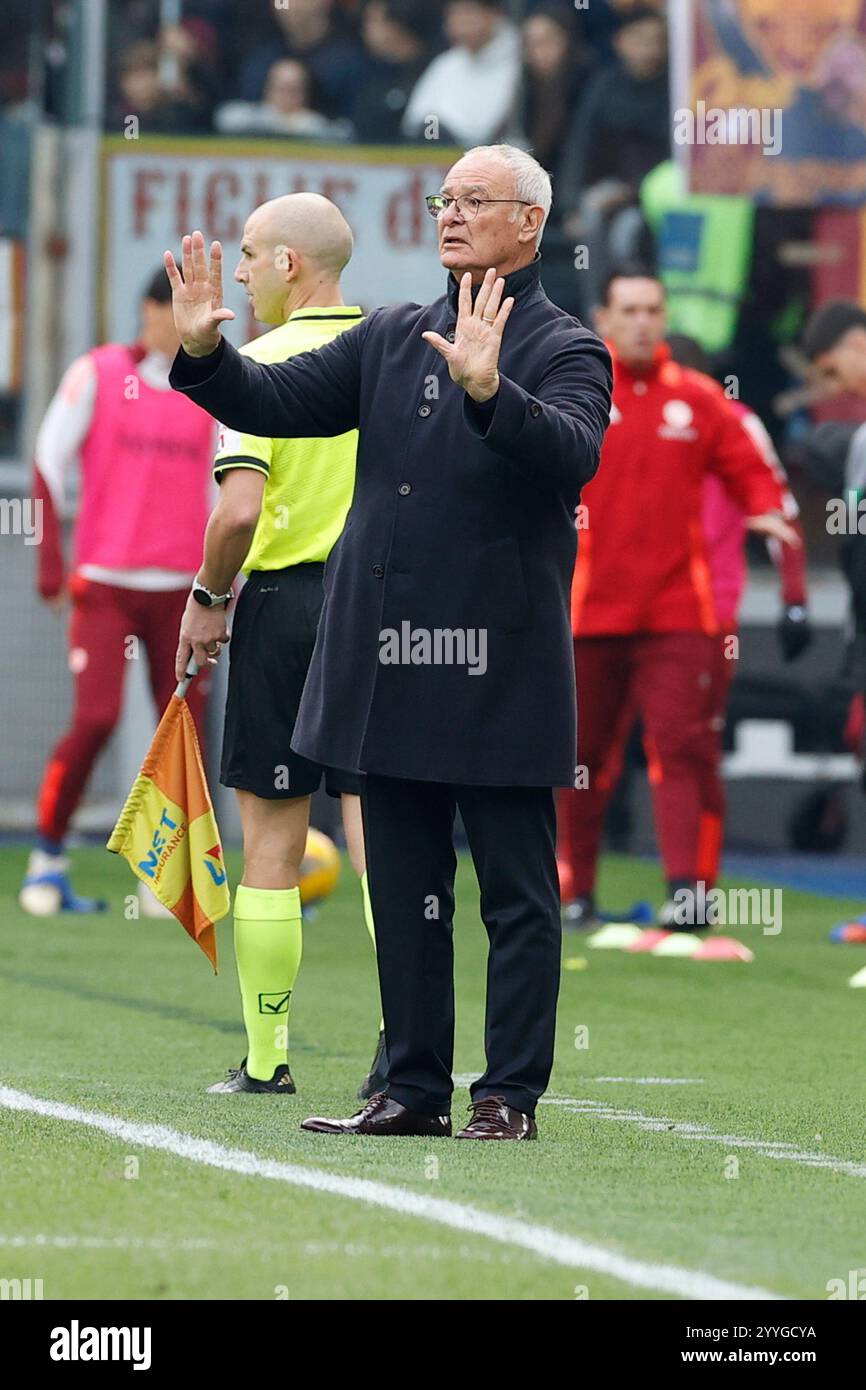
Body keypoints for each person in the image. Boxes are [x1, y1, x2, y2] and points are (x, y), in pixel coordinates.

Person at [166, 142, 612, 1140]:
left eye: (473, 200)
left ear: (529, 221)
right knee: (407, 885)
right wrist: (205, 354)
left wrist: (493, 392)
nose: (448, 214)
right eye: (441, 199)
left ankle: (505, 1095)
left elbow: (572, 453)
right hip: (386, 657)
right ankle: (409, 1090)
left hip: (495, 660)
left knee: (514, 891)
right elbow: (270, 402)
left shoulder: (564, 347)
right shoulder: (391, 333)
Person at [174, 193, 382, 1099]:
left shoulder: (259, 367)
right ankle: (403, 1052)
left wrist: (209, 597)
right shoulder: (398, 355)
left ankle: (267, 1061)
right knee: (390, 838)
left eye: (252, 255)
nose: (244, 272)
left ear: (292, 265)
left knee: (271, 841)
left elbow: (241, 511)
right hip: (385, 611)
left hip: (289, 605)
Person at [557, 268, 798, 931]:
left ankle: (691, 893)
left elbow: (754, 473)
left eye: (652, 309)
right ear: (602, 319)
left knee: (683, 751)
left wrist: (771, 512)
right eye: (628, 309)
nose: (642, 321)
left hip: (676, 616)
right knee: (578, 761)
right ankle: (574, 889)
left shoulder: (698, 399)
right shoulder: (575, 390)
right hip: (587, 610)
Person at [20, 269, 215, 917]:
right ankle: (47, 860)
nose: (187, 322)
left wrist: (223, 583)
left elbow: (226, 487)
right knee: (96, 718)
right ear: (150, 310)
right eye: (178, 308)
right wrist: (51, 563)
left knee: (180, 730)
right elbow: (47, 458)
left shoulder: (212, 386)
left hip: (181, 593)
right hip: (104, 584)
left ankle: (162, 874)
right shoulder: (99, 372)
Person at [401, 0, 520, 147]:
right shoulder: (446, 63)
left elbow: (490, 131)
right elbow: (417, 121)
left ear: (494, 14)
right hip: (438, 156)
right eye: (453, 13)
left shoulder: (520, 64)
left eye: (467, 11)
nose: (458, 21)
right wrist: (437, 134)